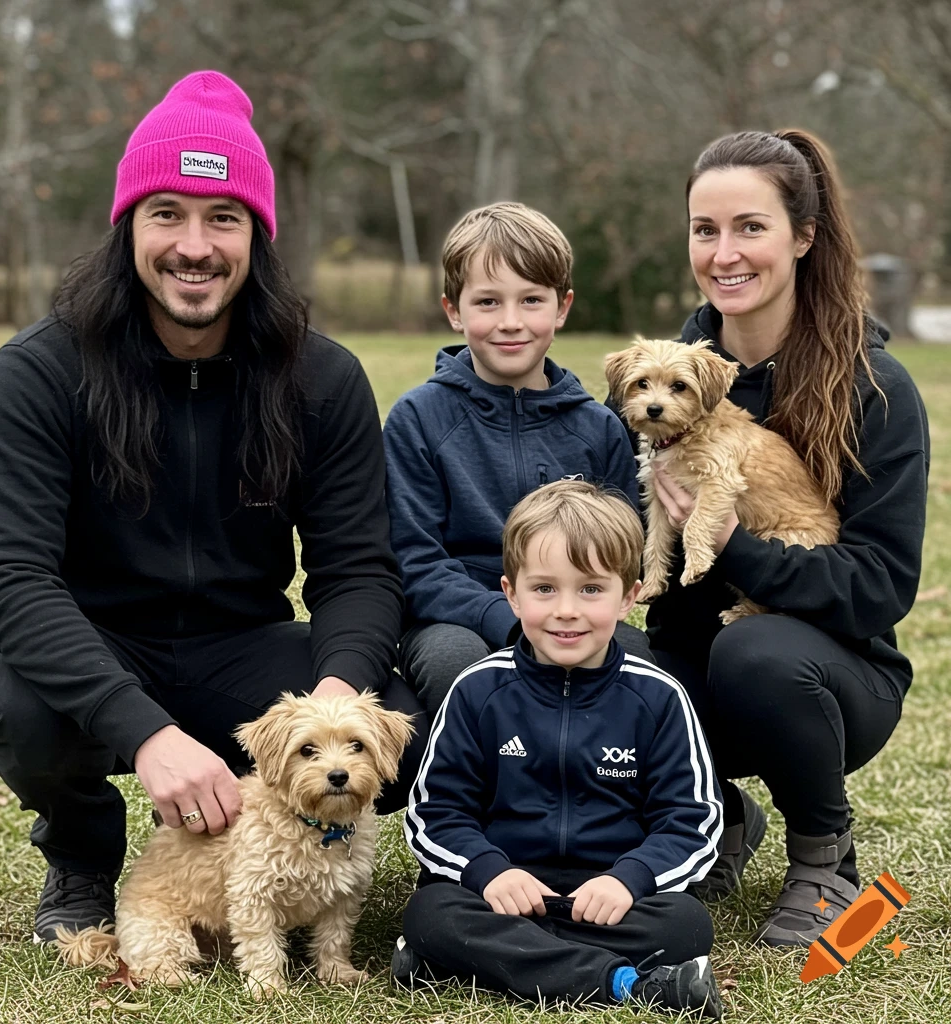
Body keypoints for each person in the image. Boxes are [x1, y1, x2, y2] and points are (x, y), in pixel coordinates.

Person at [0, 70, 426, 945]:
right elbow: (5, 578)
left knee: (397, 710)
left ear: (258, 235)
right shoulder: (41, 371)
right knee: (18, 696)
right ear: (128, 226)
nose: (195, 245)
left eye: (224, 218)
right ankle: (83, 858)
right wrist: (146, 735)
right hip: (97, 641)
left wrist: (332, 698)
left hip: (242, 645)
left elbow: (357, 567)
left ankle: (305, 867)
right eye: (166, 213)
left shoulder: (322, 379)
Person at [626, 129, 929, 946]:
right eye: (704, 229)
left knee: (754, 654)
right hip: (696, 663)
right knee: (596, 667)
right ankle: (716, 817)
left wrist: (733, 547)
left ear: (803, 236)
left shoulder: (876, 391)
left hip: (827, 679)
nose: (724, 252)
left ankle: (828, 860)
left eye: (750, 227)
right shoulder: (664, 378)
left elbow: (878, 588)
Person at [393, 481, 724, 1020]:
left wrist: (629, 879)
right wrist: (488, 871)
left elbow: (691, 820)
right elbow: (435, 812)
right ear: (511, 593)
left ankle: (460, 963)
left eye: (591, 589)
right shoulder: (477, 690)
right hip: (502, 890)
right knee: (432, 911)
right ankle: (625, 984)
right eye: (544, 589)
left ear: (629, 596)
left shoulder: (659, 697)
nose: (566, 610)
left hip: (609, 896)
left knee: (686, 924)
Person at [384, 202, 645, 721]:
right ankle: (484, 797)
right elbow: (414, 559)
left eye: (531, 300)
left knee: (632, 658)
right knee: (459, 664)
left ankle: (611, 795)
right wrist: (506, 616)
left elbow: (623, 551)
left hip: (572, 610)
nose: (510, 322)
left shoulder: (599, 428)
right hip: (452, 620)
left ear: (562, 307)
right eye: (487, 302)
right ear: (453, 310)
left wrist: (562, 611)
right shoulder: (418, 419)